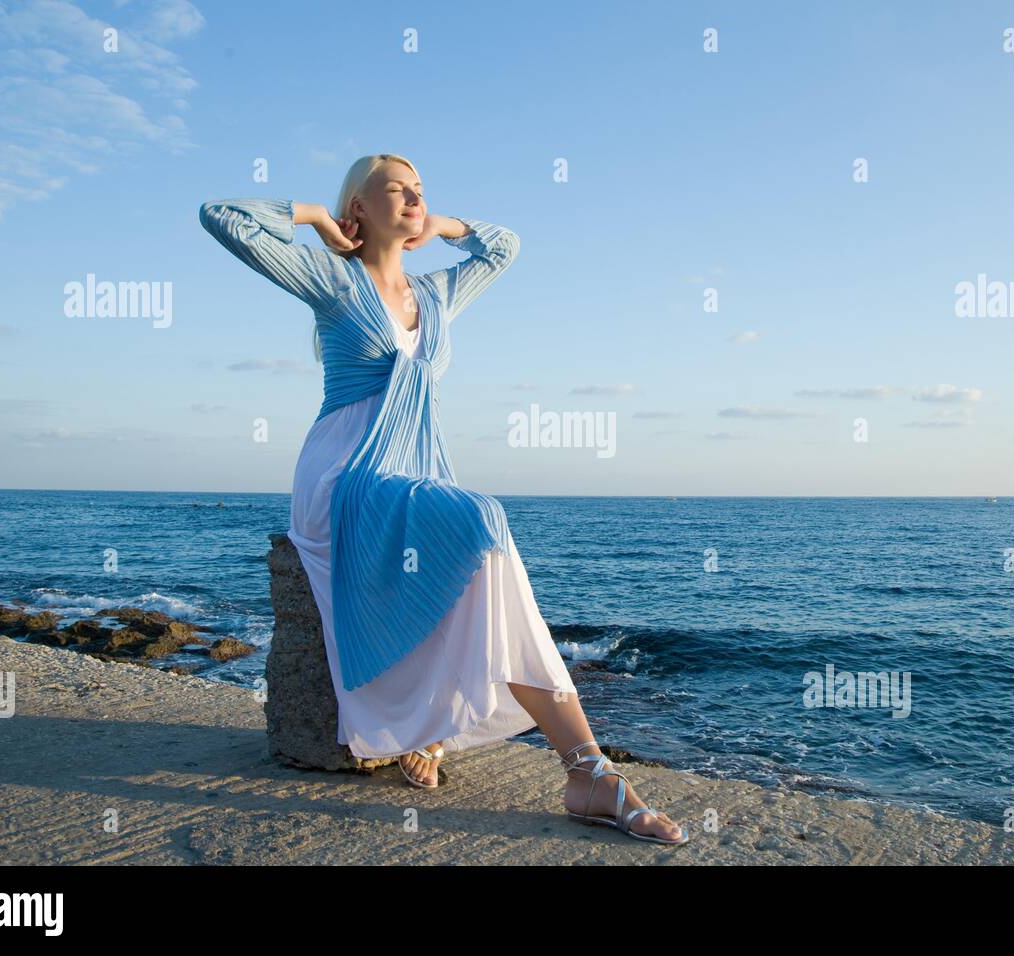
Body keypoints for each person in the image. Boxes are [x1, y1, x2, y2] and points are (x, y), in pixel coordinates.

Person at [199, 153, 686, 845]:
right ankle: (586, 768)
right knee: (481, 518)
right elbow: (223, 217)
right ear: (359, 208)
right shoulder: (333, 279)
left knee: (480, 555)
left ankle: (545, 758)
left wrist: (442, 226)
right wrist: (315, 220)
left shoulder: (436, 294)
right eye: (395, 190)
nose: (413, 198)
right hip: (344, 473)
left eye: (419, 191)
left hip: (413, 468)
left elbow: (505, 246)